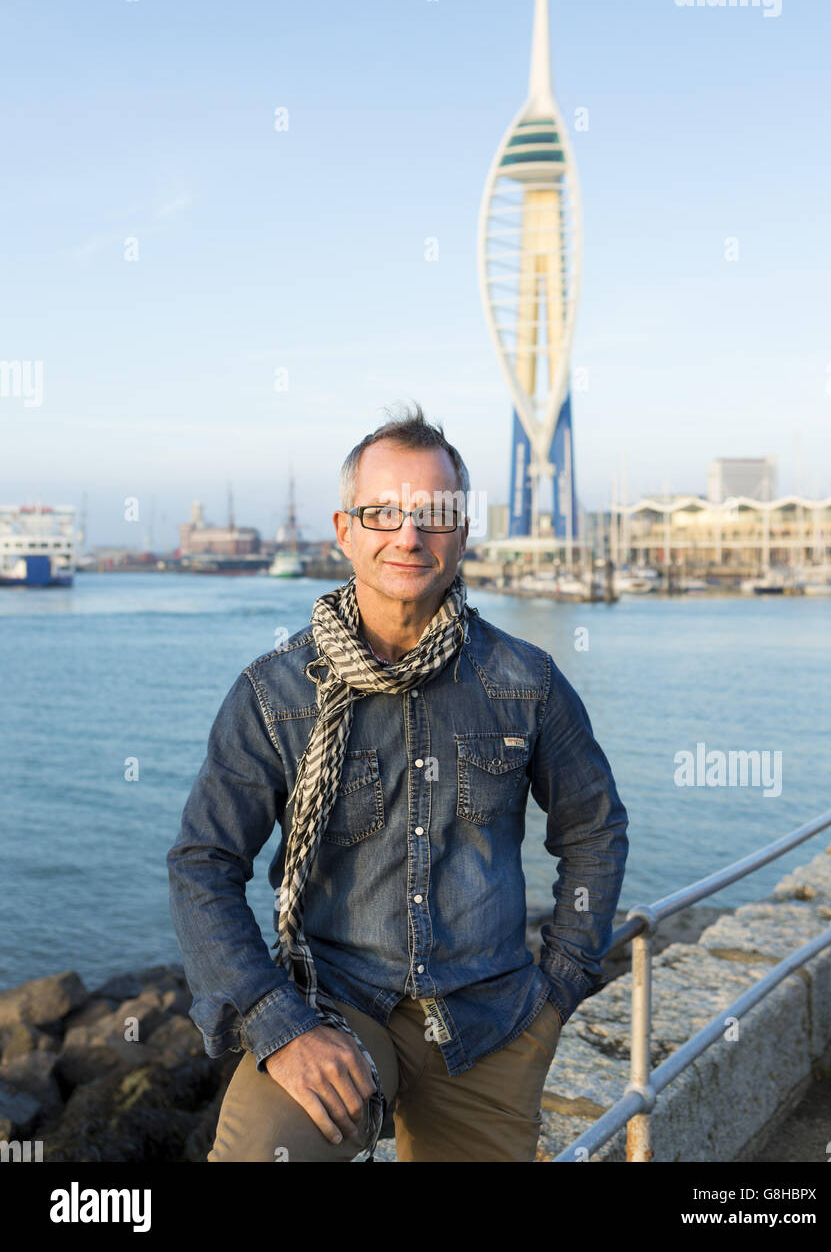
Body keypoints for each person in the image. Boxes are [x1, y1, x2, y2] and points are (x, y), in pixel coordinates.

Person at [166, 402, 628, 1162]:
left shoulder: (525, 682)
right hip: (334, 1000)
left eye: (433, 513)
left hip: (491, 1019)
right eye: (382, 513)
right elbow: (203, 865)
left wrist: (563, 981)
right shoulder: (276, 692)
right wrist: (278, 1024)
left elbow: (593, 829)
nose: (407, 535)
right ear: (345, 531)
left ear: (463, 531)